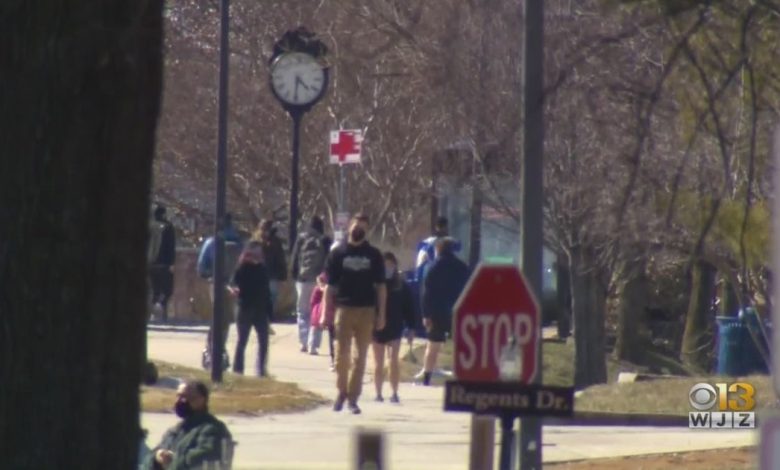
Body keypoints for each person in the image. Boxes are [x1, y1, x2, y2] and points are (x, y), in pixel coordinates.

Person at [323, 214, 386, 414]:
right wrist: (326, 311)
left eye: (364, 226)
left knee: (361, 357)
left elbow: (381, 287)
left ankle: (353, 398)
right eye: (357, 225)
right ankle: (341, 392)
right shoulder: (338, 252)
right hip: (344, 308)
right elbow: (329, 286)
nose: (360, 229)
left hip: (367, 310)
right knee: (342, 357)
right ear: (350, 226)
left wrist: (382, 314)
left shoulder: (374, 255)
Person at [142, 381, 233, 470]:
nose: (179, 401)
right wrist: (156, 458)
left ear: (201, 400)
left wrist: (172, 461)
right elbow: (148, 459)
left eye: (185, 397)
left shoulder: (213, 429)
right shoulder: (175, 431)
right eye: (178, 396)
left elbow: (205, 458)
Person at [197, 213, 243, 370]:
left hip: (216, 283)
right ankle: (220, 349)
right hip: (234, 285)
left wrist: (209, 274)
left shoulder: (212, 242)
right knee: (226, 320)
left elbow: (202, 267)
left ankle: (212, 351)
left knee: (217, 318)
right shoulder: (239, 242)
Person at [420, 237, 469, 386]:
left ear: (438, 249)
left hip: (436, 311)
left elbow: (426, 292)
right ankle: (461, 377)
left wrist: (426, 314)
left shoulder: (432, 266)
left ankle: (427, 377)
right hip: (458, 311)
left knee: (433, 345)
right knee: (460, 345)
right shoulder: (462, 267)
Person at [372, 252, 416, 403]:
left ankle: (394, 392)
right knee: (378, 363)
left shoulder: (401, 285)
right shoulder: (374, 285)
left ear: (395, 266)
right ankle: (378, 392)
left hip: (395, 326)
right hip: (377, 327)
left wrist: (411, 327)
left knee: (393, 361)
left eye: (390, 265)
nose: (387, 268)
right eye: (385, 265)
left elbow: (410, 307)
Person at [228, 241, 273, 377]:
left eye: (259, 253)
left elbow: (266, 291)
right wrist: (234, 290)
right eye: (255, 253)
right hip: (245, 308)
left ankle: (261, 370)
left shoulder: (263, 269)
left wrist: (270, 312)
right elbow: (232, 283)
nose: (257, 256)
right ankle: (238, 370)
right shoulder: (242, 268)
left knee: (264, 341)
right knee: (242, 340)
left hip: (260, 309)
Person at [290, 215, 332, 353]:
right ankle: (313, 344)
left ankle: (303, 342)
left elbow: (295, 258)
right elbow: (329, 261)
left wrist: (294, 275)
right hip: (319, 281)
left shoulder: (302, 238)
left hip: (302, 279)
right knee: (317, 312)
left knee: (302, 312)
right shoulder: (325, 240)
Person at [149, 204, 176, 322]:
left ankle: (154, 311)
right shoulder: (168, 227)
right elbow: (171, 247)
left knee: (154, 288)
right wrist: (171, 263)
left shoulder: (150, 226)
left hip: (150, 264)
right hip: (164, 264)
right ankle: (160, 308)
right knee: (167, 290)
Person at [252, 219, 287, 313]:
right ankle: (266, 314)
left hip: (263, 272)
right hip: (269, 273)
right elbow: (280, 258)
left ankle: (263, 314)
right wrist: (283, 275)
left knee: (265, 294)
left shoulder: (256, 240)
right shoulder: (274, 241)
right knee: (270, 295)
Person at [414, 216, 461, 282]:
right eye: (445, 227)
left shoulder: (427, 242)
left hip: (425, 277)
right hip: (434, 277)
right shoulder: (433, 243)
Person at [310, 272, 336, 367]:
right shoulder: (322, 288)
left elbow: (312, 301)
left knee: (335, 335)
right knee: (332, 335)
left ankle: (336, 359)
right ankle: (333, 359)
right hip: (330, 310)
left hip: (338, 307)